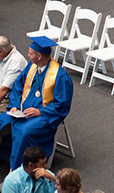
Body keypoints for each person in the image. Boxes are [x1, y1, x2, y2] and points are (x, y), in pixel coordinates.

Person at [0, 36, 73, 169]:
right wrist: (14, 105)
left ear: (39, 56)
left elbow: (62, 105)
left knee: (24, 132)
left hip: (43, 116)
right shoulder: (32, 67)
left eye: (31, 53)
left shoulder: (59, 76)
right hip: (21, 110)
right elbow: (17, 86)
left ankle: (18, 171)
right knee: (1, 121)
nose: (28, 55)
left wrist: (40, 111)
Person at [0, 37, 28, 111]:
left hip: (7, 99)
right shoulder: (4, 54)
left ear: (0, 51)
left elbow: (3, 90)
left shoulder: (16, 63)